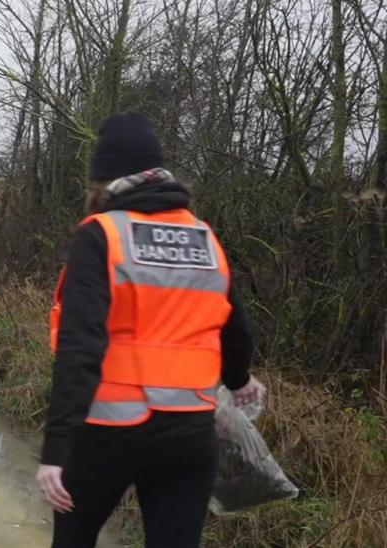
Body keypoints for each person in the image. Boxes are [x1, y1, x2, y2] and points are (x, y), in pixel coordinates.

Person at [36, 113, 265, 548]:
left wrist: (56, 451)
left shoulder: (101, 235)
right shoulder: (203, 237)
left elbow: (80, 348)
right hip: (190, 435)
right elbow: (235, 326)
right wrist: (239, 380)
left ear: (103, 178)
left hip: (108, 431)